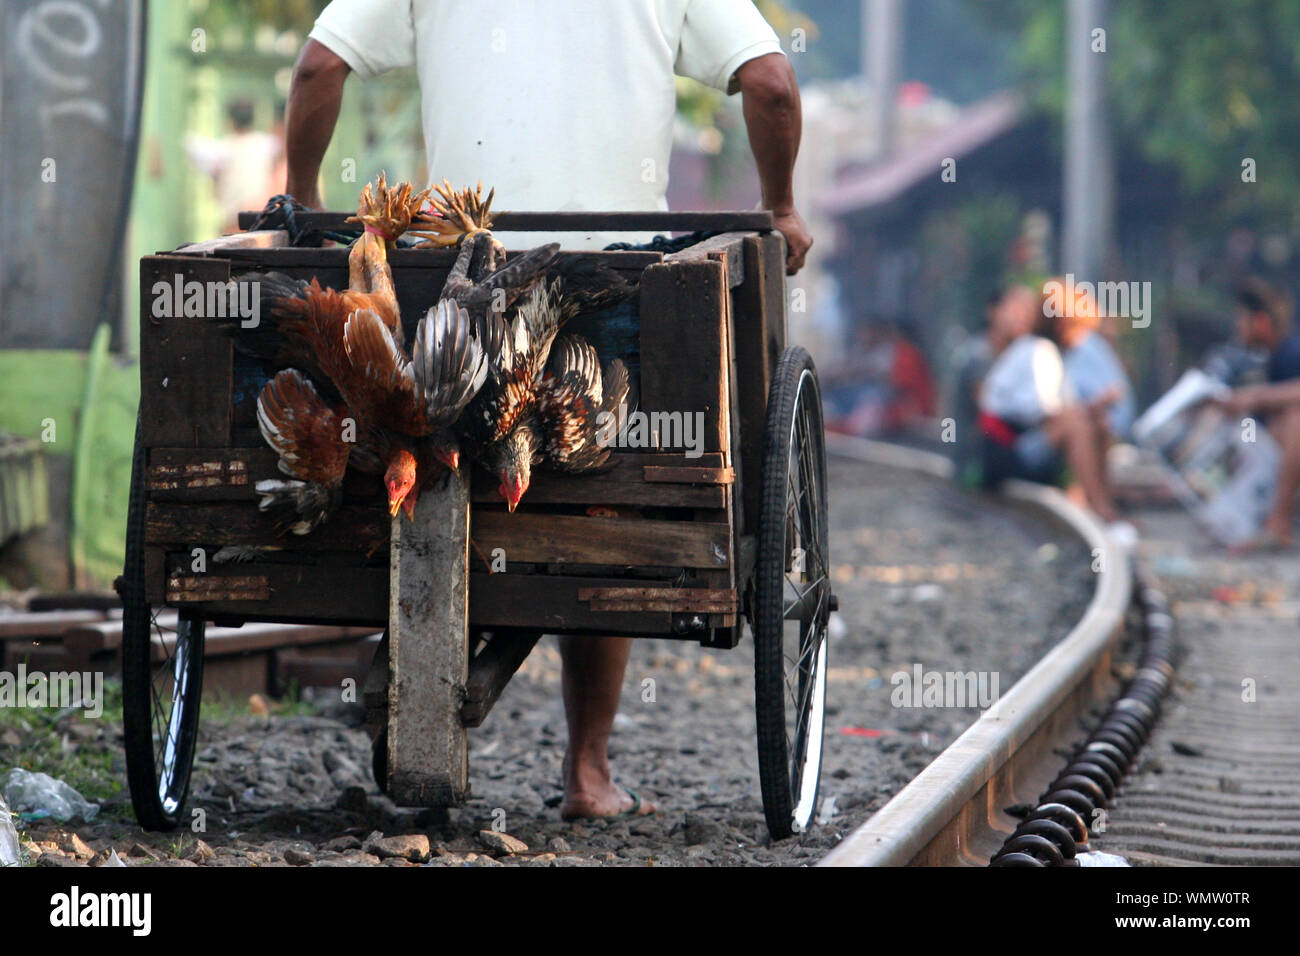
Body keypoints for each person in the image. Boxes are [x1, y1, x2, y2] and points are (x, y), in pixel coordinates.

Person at [286, 0, 812, 820]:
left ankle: (412, 664)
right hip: (615, 278)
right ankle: (587, 773)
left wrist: (300, 193)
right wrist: (779, 207)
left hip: (452, 281)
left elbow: (320, 66)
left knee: (429, 428)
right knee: (617, 488)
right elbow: (772, 85)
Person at [976, 285, 1129, 532]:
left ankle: (1103, 502)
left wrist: (1092, 409)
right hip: (1005, 456)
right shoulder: (1037, 351)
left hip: (1022, 448)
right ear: (1065, 326)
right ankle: (1100, 510)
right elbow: (1036, 411)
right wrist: (1085, 409)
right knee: (1076, 424)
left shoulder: (1051, 355)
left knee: (1099, 423)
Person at [1217, 278, 1300, 547]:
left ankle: (1279, 521)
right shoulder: (1268, 358)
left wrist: (1253, 398)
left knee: (1294, 420)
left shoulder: (1292, 352)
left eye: (1242, 320)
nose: (1238, 328)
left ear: (1261, 322)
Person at [184, 99, 284, 233]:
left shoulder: (223, 148)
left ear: (230, 120)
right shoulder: (267, 144)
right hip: (263, 219)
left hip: (236, 221)